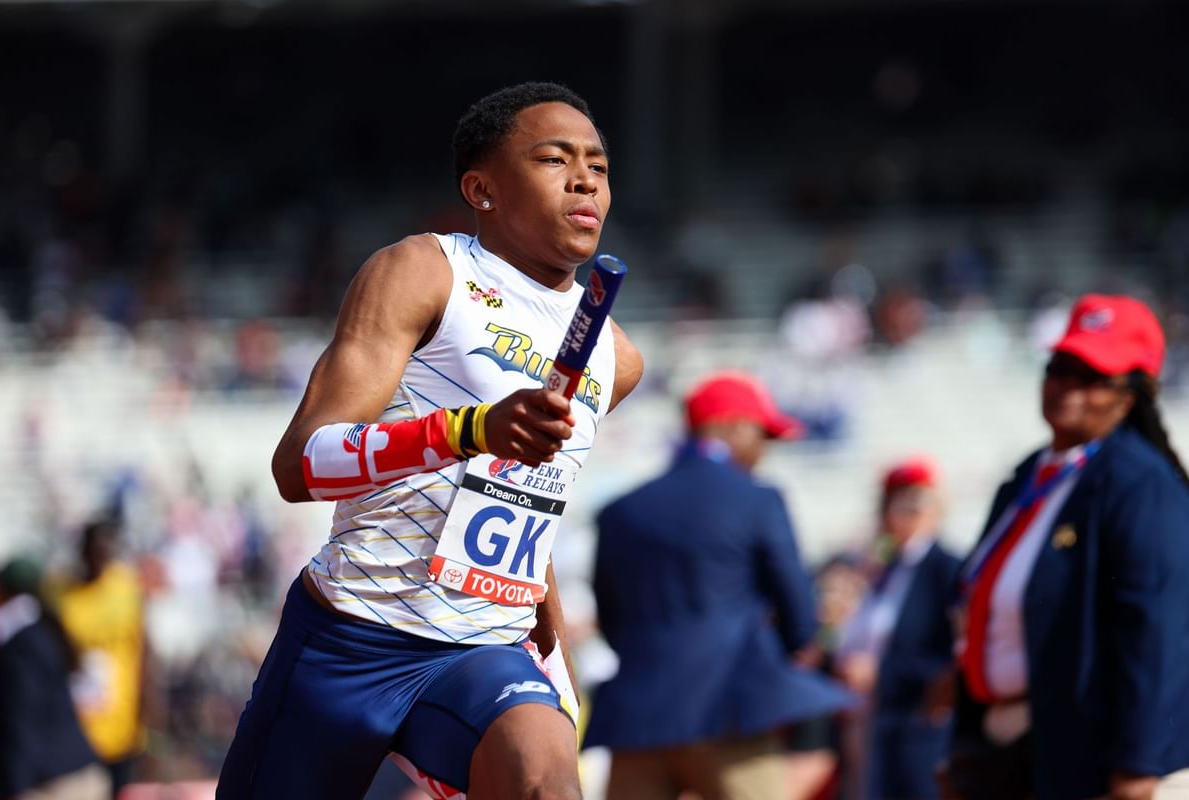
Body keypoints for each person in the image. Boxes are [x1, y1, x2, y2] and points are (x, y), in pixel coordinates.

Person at [216, 82, 643, 800]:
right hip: (350, 635)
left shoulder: (616, 357)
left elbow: (527, 510)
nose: (585, 181)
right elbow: (299, 465)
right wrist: (471, 429)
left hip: (484, 652)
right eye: (554, 159)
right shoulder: (424, 272)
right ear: (482, 189)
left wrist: (558, 666)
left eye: (598, 166)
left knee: (548, 787)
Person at [946, 295, 1189, 800]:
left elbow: (1155, 629)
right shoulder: (1028, 476)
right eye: (1059, 368)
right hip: (1010, 744)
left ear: (1131, 396)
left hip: (1087, 757)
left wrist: (1137, 763)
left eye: (1093, 376)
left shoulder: (1140, 483)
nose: (1068, 387)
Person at [585, 372, 853, 800]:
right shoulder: (758, 499)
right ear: (732, 427)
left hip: (639, 721)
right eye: (762, 435)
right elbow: (800, 619)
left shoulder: (622, 512)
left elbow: (611, 621)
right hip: (731, 715)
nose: (764, 450)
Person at [835, 457, 960, 800]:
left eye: (918, 502)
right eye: (900, 501)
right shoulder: (880, 567)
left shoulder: (945, 569)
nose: (909, 512)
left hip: (917, 719)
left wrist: (882, 671)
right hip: (872, 716)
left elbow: (949, 653)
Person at [0, 558, 111, 800]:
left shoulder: (19, 647)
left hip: (51, 784)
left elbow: (19, 723)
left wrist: (14, 787)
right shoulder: (43, 633)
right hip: (78, 774)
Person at [51, 519, 147, 799]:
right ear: (82, 551)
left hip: (120, 722)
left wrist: (150, 712)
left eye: (105, 550)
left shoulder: (126, 587)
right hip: (76, 725)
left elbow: (145, 651)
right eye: (93, 550)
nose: (99, 557)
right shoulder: (61, 593)